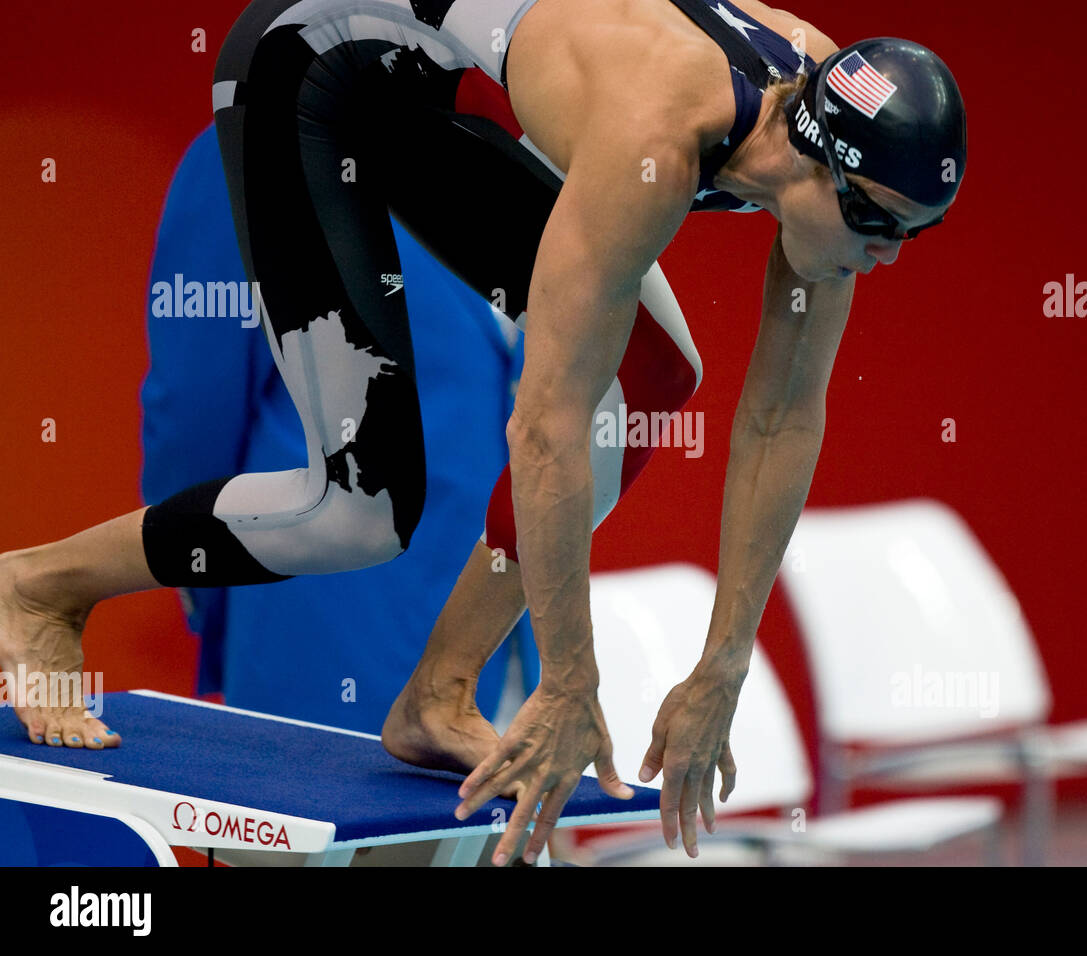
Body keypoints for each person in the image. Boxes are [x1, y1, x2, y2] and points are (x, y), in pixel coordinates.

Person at [0, 0, 966, 865]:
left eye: (915, 236)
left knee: (654, 380)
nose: (888, 258)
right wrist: (566, 682)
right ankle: (39, 586)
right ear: (823, 170)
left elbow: (783, 417)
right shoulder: (660, 133)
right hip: (311, 67)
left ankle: (435, 695)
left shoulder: (831, 107)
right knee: (360, 509)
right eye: (881, 227)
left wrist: (723, 667)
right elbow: (543, 425)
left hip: (417, 89)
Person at [141, 123, 538, 731]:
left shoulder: (514, 146)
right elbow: (196, 408)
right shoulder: (253, 146)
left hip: (508, 643)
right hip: (331, 622)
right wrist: (198, 559)